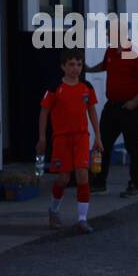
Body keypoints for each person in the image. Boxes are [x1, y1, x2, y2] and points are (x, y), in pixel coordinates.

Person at [87, 19, 138, 197]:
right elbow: (105, 65)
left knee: (133, 147)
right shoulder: (110, 51)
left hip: (130, 108)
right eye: (108, 31)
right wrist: (88, 69)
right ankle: (99, 182)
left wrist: (135, 101)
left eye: (110, 32)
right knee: (102, 145)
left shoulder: (134, 52)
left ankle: (135, 184)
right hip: (112, 107)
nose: (108, 34)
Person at [38, 48, 102, 234]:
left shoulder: (86, 87)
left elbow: (92, 111)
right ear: (63, 66)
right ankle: (54, 209)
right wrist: (42, 137)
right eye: (72, 65)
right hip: (62, 138)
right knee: (63, 178)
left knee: (82, 175)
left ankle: (82, 219)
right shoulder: (55, 88)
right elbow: (44, 112)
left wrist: (97, 136)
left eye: (79, 65)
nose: (76, 68)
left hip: (82, 137)